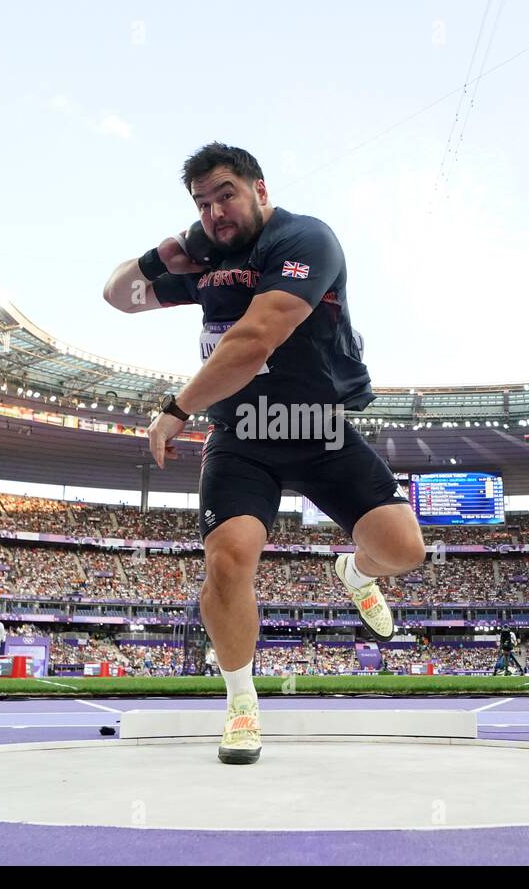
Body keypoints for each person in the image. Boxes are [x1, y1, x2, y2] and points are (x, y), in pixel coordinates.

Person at [103, 144, 426, 765]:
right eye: (202, 202)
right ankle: (242, 703)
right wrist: (162, 254)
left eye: (225, 194)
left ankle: (355, 573)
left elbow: (254, 339)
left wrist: (175, 410)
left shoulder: (306, 239)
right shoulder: (202, 256)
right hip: (241, 435)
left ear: (259, 189)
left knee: (405, 550)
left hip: (316, 426)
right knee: (228, 560)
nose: (216, 211)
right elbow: (120, 295)